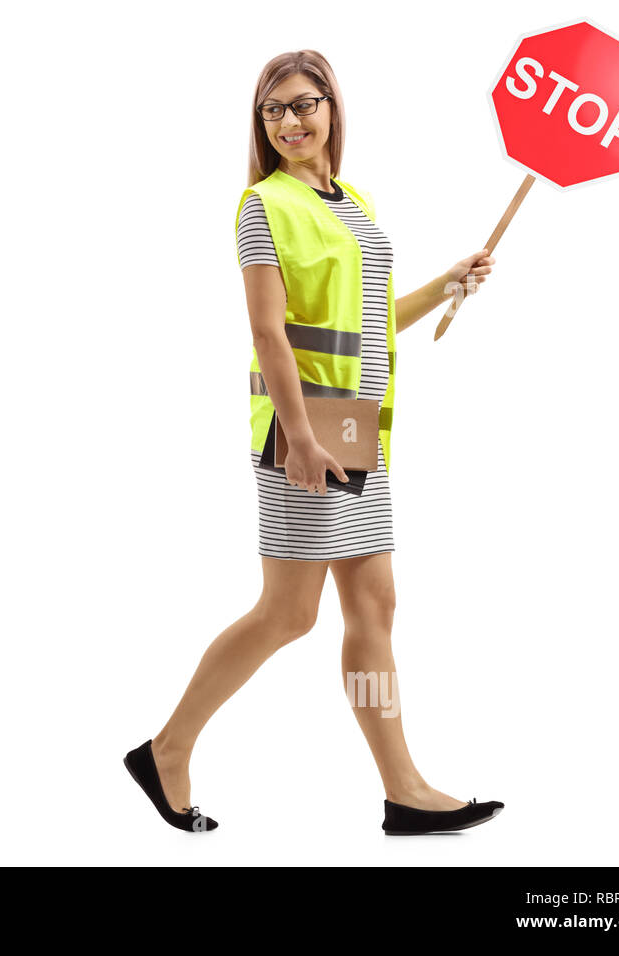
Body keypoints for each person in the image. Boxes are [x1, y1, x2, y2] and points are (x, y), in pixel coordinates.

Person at [123, 50, 504, 835]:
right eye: (274, 111)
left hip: (358, 427)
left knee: (375, 607)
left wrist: (447, 284)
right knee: (288, 614)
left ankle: (403, 787)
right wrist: (297, 436)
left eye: (304, 105)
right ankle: (166, 749)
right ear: (261, 125)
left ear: (333, 107)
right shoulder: (261, 205)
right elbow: (268, 331)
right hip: (304, 428)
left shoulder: (353, 201)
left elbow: (367, 321)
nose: (290, 122)